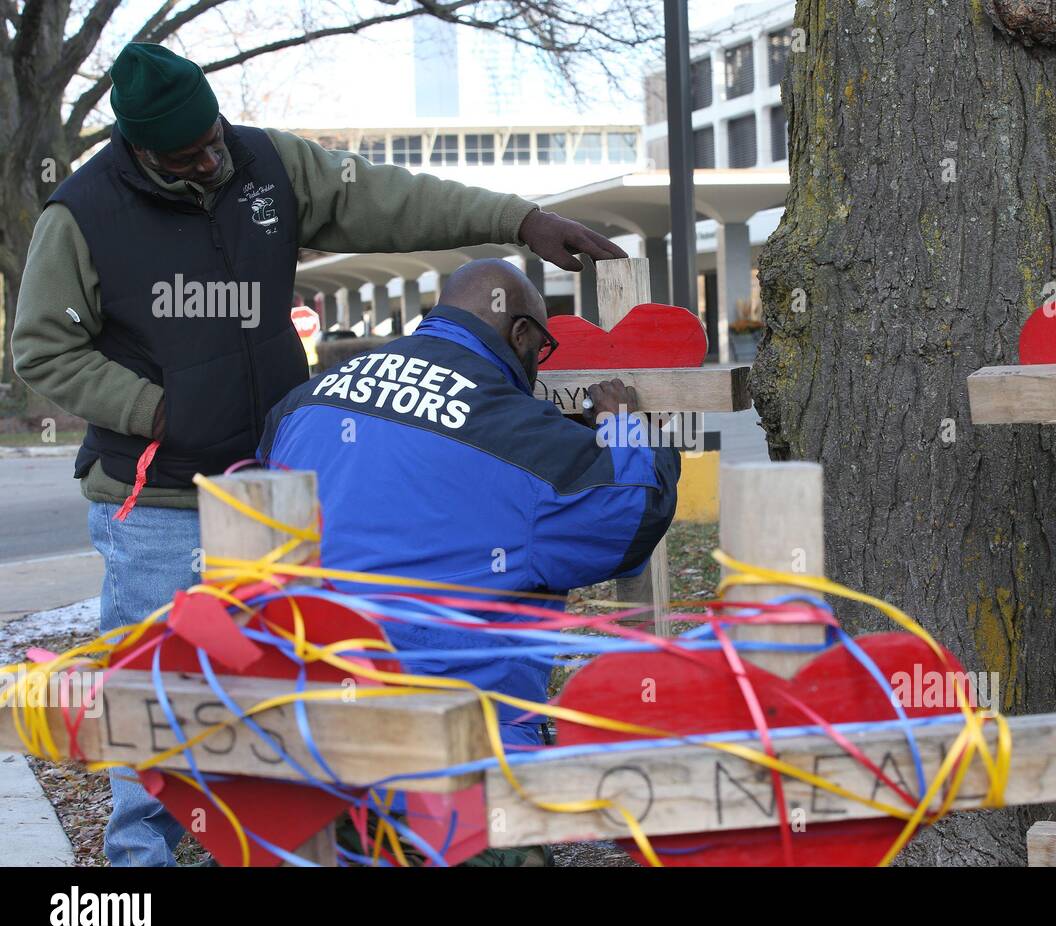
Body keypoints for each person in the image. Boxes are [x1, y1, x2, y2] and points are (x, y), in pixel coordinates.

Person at [11, 42, 624, 866]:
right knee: (159, 702)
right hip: (158, 503)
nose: (213, 156)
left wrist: (520, 220)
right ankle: (142, 870)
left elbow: (390, 198)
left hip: (281, 495)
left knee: (285, 691)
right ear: (141, 150)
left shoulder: (266, 165)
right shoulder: (79, 216)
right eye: (190, 153)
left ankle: (285, 850)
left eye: (215, 135)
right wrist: (160, 410)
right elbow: (45, 350)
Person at [258, 259, 679, 864]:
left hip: (308, 743)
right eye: (543, 347)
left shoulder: (306, 401)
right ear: (522, 334)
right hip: (462, 758)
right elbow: (629, 511)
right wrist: (622, 424)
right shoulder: (520, 434)